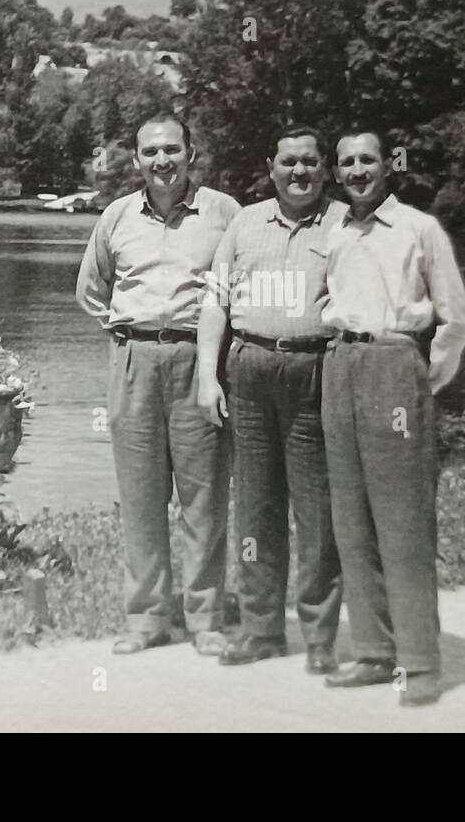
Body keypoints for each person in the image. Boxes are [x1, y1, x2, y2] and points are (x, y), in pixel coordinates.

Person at [318, 130, 465, 706]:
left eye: (368, 159)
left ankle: (420, 661)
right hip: (340, 363)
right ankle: (373, 650)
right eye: (348, 162)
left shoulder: (419, 229)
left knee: (403, 520)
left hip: (393, 364)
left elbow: (455, 319)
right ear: (337, 172)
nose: (358, 170)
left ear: (388, 166)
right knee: (351, 520)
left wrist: (418, 376)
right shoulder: (333, 229)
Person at [76, 114, 241, 655]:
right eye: (151, 152)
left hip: (201, 361)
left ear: (191, 154)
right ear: (137, 160)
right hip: (134, 362)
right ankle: (147, 619)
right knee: (142, 497)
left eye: (172, 149)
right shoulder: (117, 216)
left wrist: (216, 352)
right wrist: (129, 329)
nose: (162, 161)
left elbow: (247, 286)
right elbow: (91, 289)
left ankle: (206, 619)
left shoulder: (224, 213)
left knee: (204, 497)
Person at [196, 125, 347, 675]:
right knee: (256, 506)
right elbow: (214, 304)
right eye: (288, 162)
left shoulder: (345, 224)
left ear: (324, 168)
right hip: (249, 370)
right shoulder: (242, 223)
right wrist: (207, 377)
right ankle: (261, 630)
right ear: (270, 166)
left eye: (310, 162)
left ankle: (320, 635)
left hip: (316, 370)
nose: (299, 172)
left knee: (318, 510)